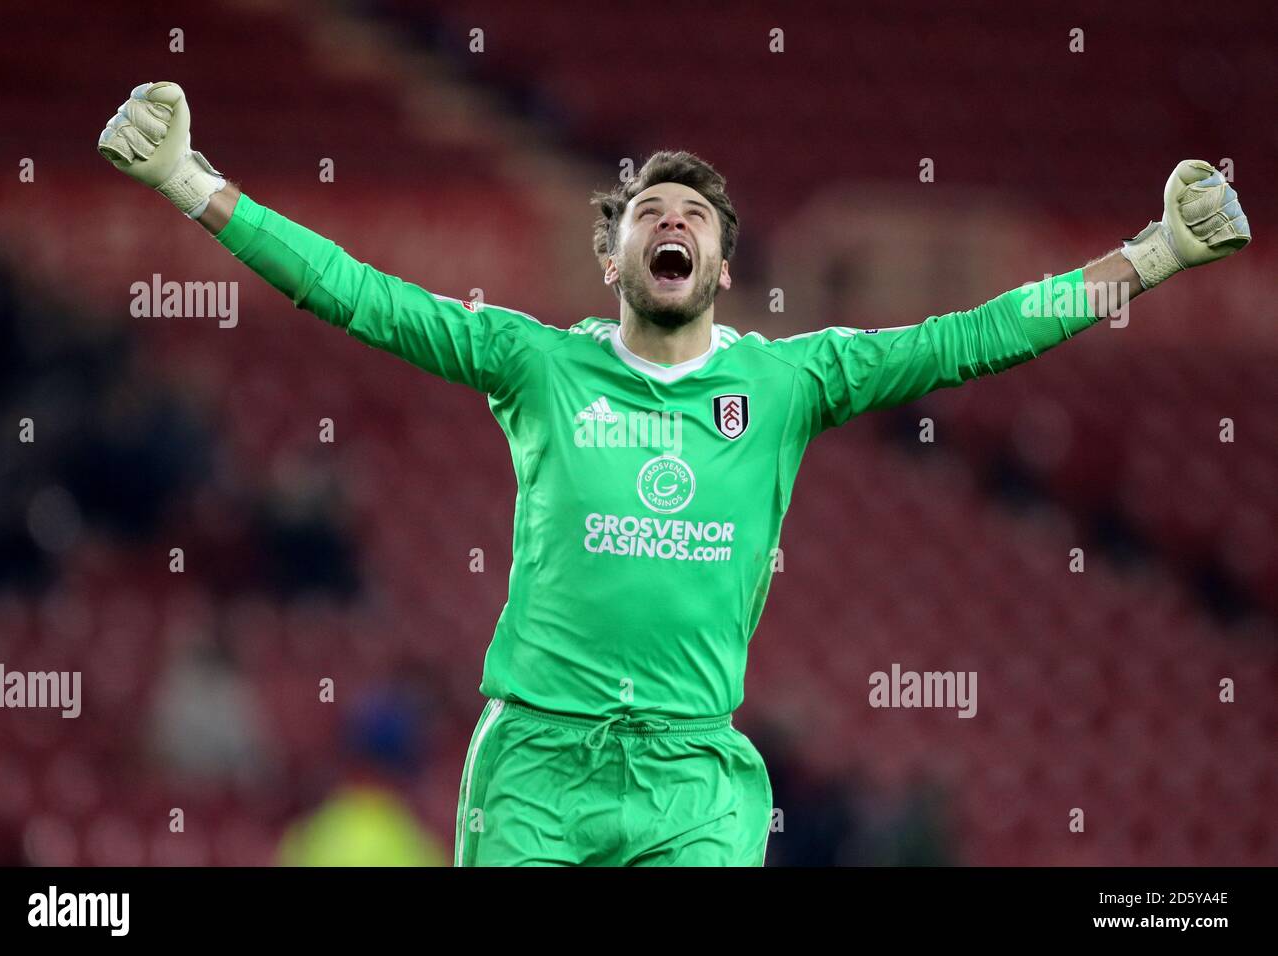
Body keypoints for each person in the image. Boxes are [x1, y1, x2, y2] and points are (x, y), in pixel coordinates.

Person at [98, 82, 1250, 866]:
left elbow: (976, 335)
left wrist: (1154, 254)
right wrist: (193, 180)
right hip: (540, 758)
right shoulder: (533, 361)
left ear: (721, 258)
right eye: (649, 210)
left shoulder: (791, 380)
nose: (671, 222)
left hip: (692, 767)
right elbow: (356, 293)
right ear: (613, 255)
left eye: (692, 214)